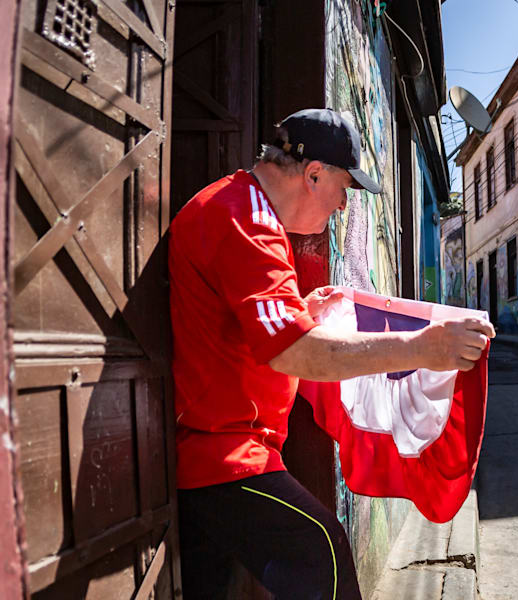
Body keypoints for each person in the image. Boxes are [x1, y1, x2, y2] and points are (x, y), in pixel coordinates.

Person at [169, 108, 495, 599]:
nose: (343, 205)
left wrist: (298, 309)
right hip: (226, 456)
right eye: (344, 187)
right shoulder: (248, 218)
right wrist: (425, 348)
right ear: (313, 173)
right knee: (324, 550)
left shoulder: (243, 209)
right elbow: (295, 353)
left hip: (225, 451)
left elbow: (241, 329)